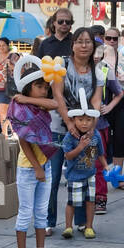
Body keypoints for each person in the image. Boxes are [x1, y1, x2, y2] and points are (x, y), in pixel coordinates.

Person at [46, 26, 103, 232]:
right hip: (58, 128)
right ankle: (48, 221)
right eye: (80, 41)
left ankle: (80, 222)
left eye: (88, 42)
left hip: (85, 130)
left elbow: (97, 100)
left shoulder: (97, 70)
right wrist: (69, 123)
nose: (84, 45)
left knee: (83, 174)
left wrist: (90, 128)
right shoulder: (62, 65)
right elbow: (58, 95)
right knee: (52, 177)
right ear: (73, 45)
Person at [9, 57, 55, 248]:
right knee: (26, 213)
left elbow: (54, 103)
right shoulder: (20, 111)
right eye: (38, 86)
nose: (43, 90)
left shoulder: (36, 106)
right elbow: (24, 142)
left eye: (46, 87)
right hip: (29, 168)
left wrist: (28, 99)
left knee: (42, 212)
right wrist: (37, 167)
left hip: (45, 166)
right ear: (28, 87)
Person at [61, 96, 107, 240]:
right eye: (80, 120)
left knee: (90, 201)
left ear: (93, 120)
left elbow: (100, 153)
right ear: (74, 120)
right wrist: (80, 147)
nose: (84, 123)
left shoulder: (96, 136)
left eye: (88, 120)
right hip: (74, 176)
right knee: (72, 203)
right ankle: (68, 227)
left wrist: (105, 166)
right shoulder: (70, 137)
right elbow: (68, 156)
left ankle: (89, 227)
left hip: (90, 174)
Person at [101, 28, 124, 186]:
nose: (112, 41)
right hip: (104, 103)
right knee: (103, 141)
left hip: (122, 103)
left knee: (120, 140)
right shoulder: (97, 57)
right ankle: (103, 176)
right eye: (108, 38)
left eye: (115, 38)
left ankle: (118, 178)